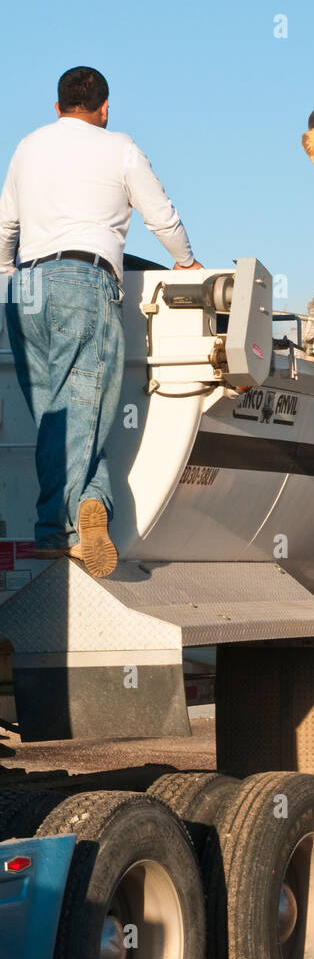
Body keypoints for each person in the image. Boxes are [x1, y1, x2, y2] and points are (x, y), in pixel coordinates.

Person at [0, 66, 202, 577]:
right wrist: (186, 262)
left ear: (57, 106)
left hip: (24, 288)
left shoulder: (28, 146)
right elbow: (161, 215)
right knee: (81, 412)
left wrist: (6, 276)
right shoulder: (121, 148)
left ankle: (92, 502)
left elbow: (6, 225)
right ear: (105, 108)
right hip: (82, 282)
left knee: (57, 419)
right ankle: (53, 530)